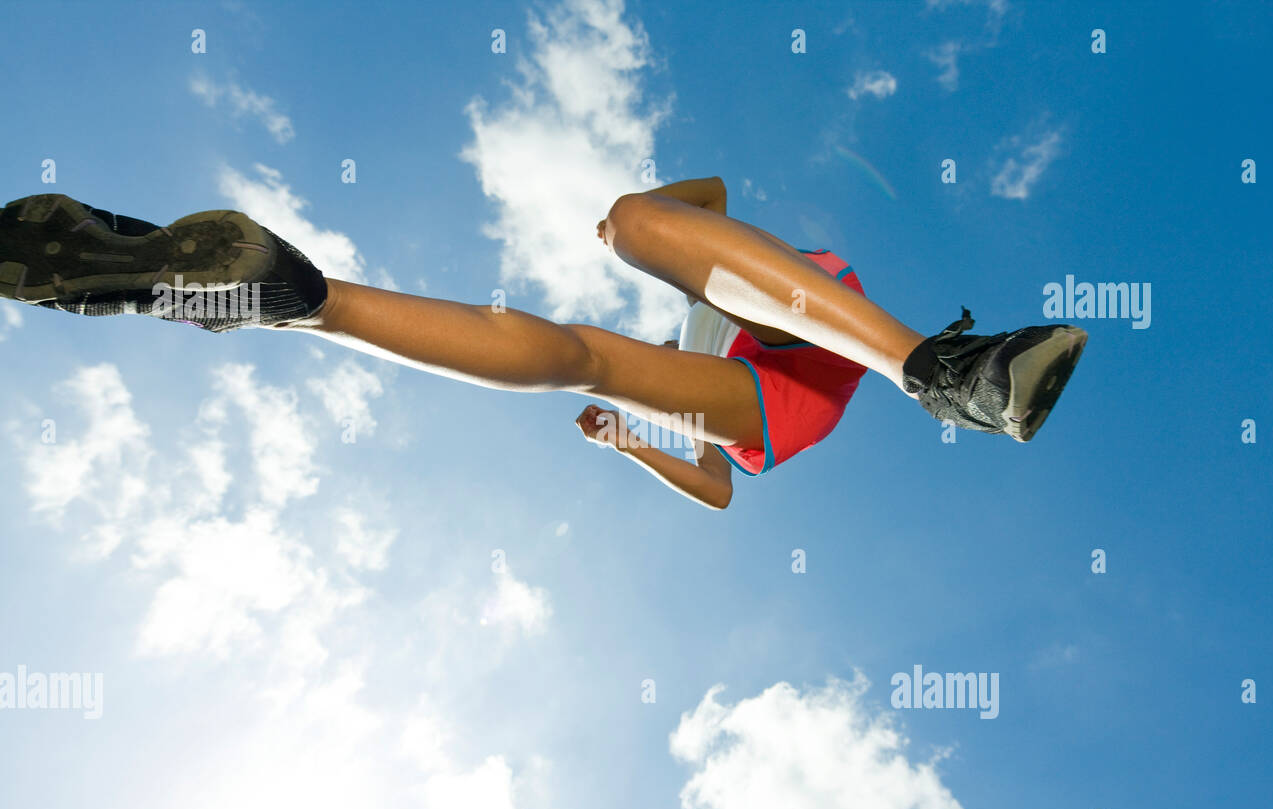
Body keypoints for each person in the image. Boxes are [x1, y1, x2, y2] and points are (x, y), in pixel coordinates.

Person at [0, 177, 1086, 509]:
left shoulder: (732, 307)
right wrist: (627, 442)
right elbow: (719, 490)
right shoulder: (725, 320)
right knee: (610, 290)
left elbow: (712, 487)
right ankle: (297, 298)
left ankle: (319, 306)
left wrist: (631, 442)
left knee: (609, 292)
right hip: (780, 383)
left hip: (781, 368)